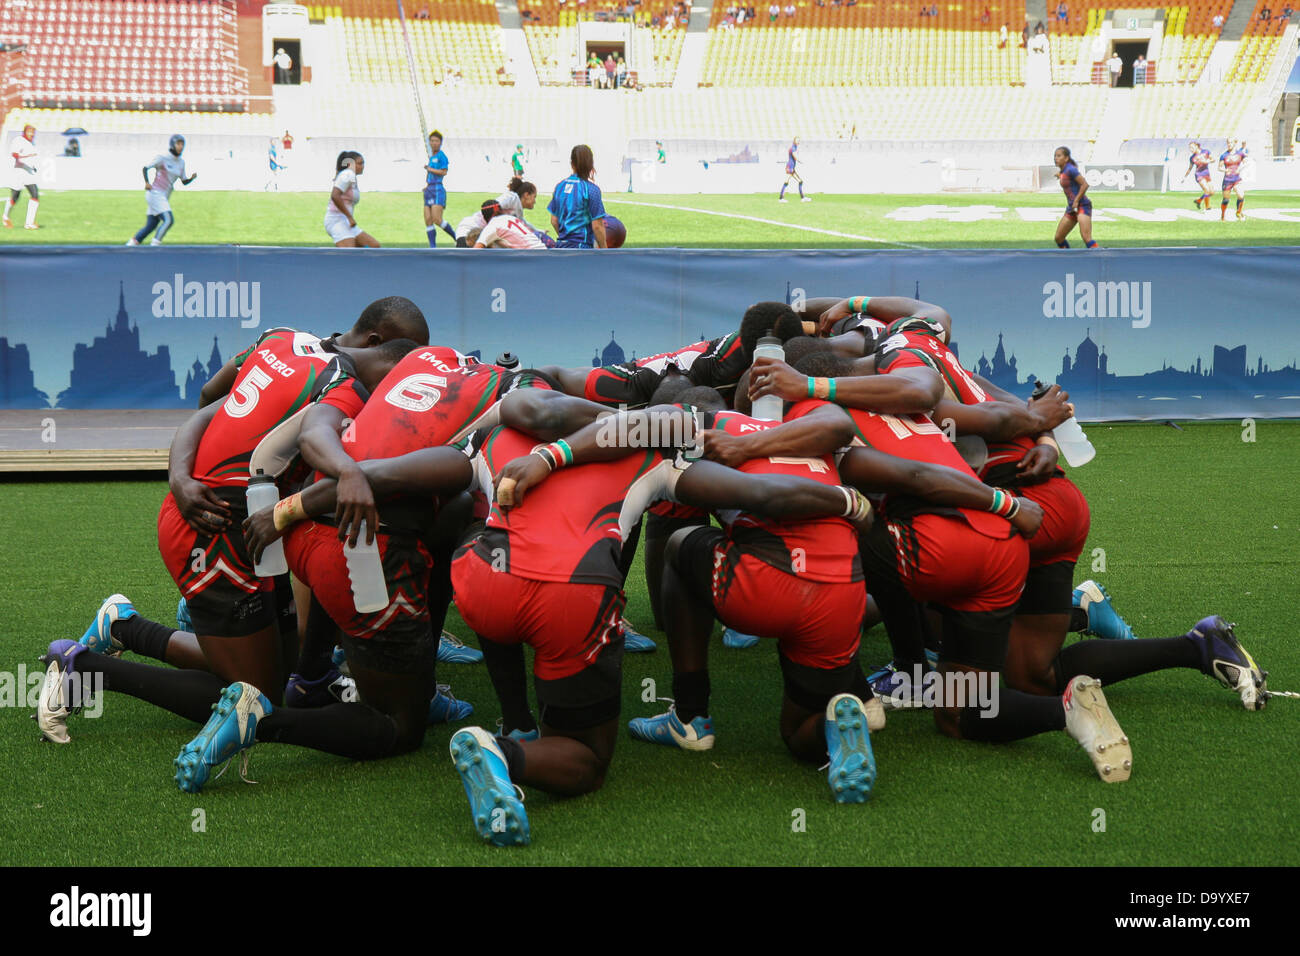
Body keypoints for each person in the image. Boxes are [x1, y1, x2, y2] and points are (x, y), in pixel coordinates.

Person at [444, 399, 877, 845]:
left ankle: (522, 726)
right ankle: (832, 725)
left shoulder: (499, 436)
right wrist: (848, 501)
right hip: (840, 585)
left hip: (493, 582)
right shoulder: (808, 429)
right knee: (795, 728)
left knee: (480, 540)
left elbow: (434, 470)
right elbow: (780, 482)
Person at [36, 329, 421, 749]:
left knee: (279, 666)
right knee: (257, 696)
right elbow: (315, 439)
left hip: (244, 522)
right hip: (212, 530)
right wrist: (351, 473)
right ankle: (85, 668)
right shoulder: (344, 388)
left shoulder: (283, 338)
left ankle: (125, 627)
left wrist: (182, 476)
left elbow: (207, 400)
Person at [126, 134, 196, 246]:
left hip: (164, 196)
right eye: (178, 143)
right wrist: (147, 182)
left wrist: (191, 179)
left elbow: (183, 181)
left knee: (151, 225)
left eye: (182, 144)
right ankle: (155, 246)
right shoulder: (162, 158)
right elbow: (145, 168)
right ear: (173, 144)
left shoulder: (181, 162)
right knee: (168, 220)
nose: (181, 146)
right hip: (155, 194)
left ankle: (130, 245)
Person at [548, 145, 607, 248]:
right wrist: (605, 250)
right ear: (590, 164)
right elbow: (597, 226)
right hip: (582, 249)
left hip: (561, 247)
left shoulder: (560, 186)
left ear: (572, 164)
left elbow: (554, 220)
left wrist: (565, 239)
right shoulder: (591, 189)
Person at [325, 151, 378, 248]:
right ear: (350, 164)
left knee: (374, 247)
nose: (363, 166)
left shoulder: (350, 176)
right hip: (336, 220)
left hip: (345, 222)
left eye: (363, 163)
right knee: (349, 253)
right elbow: (335, 195)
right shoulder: (348, 174)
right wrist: (349, 217)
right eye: (360, 163)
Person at [1052, 146, 1096, 249]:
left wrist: (1076, 200)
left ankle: (1101, 259)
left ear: (1066, 158)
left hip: (1082, 206)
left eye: (1059, 156)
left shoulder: (1071, 170)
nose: (1055, 158)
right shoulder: (1064, 170)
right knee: (1059, 238)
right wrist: (1059, 175)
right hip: (1072, 208)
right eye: (1055, 156)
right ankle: (1067, 259)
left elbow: (1085, 184)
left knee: (1087, 238)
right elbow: (1065, 176)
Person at [423, 131, 456, 247]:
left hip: (437, 189)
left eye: (436, 141)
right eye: (432, 141)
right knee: (428, 219)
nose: (434, 143)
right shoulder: (432, 157)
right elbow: (430, 173)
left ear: (440, 143)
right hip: (429, 189)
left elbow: (444, 172)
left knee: (437, 219)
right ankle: (432, 247)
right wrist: (426, 186)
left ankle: (456, 237)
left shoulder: (442, 156)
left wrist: (429, 169)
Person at [4, 123, 40, 230]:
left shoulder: (31, 144)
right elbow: (14, 154)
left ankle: (29, 223)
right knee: (15, 196)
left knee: (35, 194)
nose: (32, 134)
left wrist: (33, 166)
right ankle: (6, 216)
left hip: (28, 173)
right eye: (30, 131)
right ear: (25, 132)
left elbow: (31, 158)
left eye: (33, 132)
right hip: (18, 171)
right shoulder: (19, 140)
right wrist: (27, 156)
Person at [1219, 139, 1248, 220]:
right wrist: (1225, 170)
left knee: (1241, 195)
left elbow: (1246, 162)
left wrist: (1240, 168)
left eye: (1231, 142)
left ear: (1235, 143)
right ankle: (1223, 216)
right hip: (1227, 180)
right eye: (1228, 142)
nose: (1229, 144)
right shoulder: (1224, 155)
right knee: (1226, 200)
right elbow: (1219, 167)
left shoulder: (1240, 153)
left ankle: (1238, 212)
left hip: (1237, 179)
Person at [1185, 141, 1214, 210]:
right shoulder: (1192, 157)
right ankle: (1207, 207)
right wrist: (1185, 176)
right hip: (1199, 174)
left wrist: (1207, 161)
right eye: (1190, 148)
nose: (1191, 150)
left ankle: (1199, 201)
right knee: (1207, 190)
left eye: (1192, 148)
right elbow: (1190, 168)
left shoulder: (1206, 152)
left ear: (1197, 146)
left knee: (1212, 192)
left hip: (1207, 173)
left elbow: (1213, 159)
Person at [779, 135, 809, 202]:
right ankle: (781, 198)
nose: (798, 141)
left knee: (800, 181)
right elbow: (796, 158)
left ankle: (803, 198)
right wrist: (803, 161)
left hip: (791, 167)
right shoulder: (793, 148)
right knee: (787, 181)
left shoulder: (794, 147)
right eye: (797, 140)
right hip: (790, 167)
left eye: (799, 140)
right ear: (794, 141)